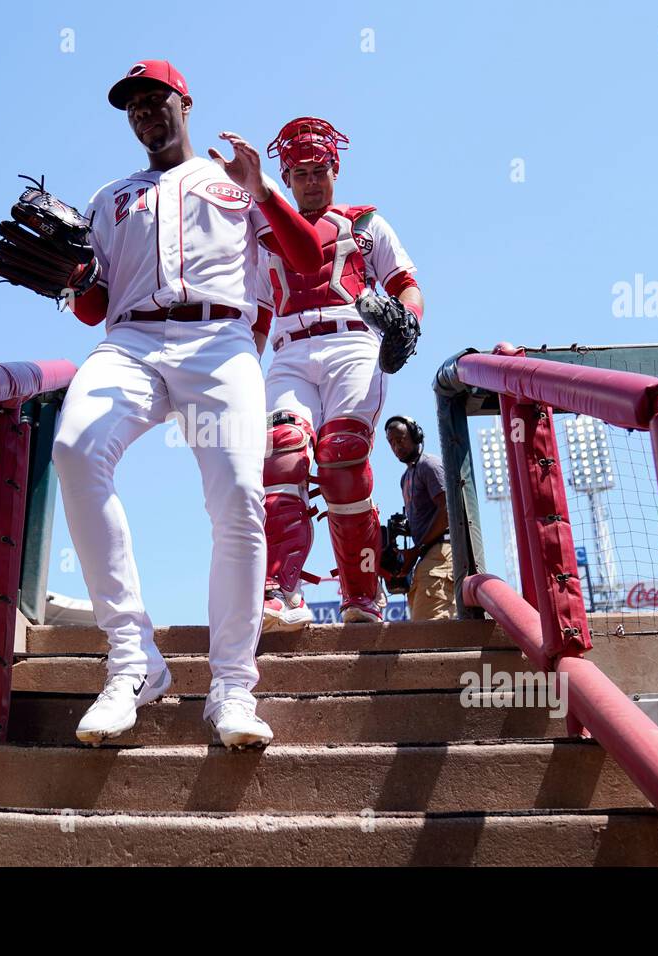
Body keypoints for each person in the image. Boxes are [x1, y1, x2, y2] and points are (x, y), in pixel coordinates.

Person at [49, 61, 322, 748]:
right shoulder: (109, 197)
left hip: (218, 338)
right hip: (133, 339)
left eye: (155, 97)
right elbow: (94, 308)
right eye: (132, 103)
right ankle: (133, 662)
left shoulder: (232, 180)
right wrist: (70, 278)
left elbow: (311, 260)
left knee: (237, 495)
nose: (144, 110)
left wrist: (262, 188)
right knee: (75, 449)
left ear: (185, 102)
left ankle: (232, 686)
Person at [257, 117, 424, 630]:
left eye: (320, 169)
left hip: (354, 340)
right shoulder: (261, 232)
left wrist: (409, 324)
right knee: (283, 453)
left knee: (342, 457)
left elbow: (406, 283)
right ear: (284, 177)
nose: (311, 180)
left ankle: (361, 595)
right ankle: (279, 590)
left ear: (336, 167)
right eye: (300, 172)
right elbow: (259, 315)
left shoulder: (366, 222)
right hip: (287, 350)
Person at [384, 415, 455, 620]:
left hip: (441, 554)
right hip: (427, 557)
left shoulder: (429, 465)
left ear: (416, 436)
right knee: (420, 626)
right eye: (391, 443)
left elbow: (447, 511)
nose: (397, 446)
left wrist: (415, 550)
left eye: (401, 439)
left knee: (429, 630)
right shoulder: (405, 478)